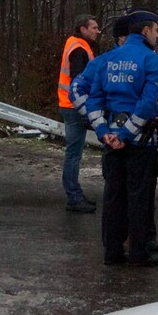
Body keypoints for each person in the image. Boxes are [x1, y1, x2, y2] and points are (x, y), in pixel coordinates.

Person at [73, 9, 158, 266]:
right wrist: (127, 134)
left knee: (113, 196)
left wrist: (105, 132)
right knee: (139, 197)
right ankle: (139, 253)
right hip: (139, 140)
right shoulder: (150, 60)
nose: (157, 35)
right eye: (155, 30)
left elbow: (95, 98)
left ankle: (112, 252)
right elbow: (146, 103)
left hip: (111, 139)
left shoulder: (108, 60)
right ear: (145, 31)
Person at [57, 15, 104, 212]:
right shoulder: (79, 49)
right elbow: (79, 83)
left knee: (73, 152)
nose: (97, 31)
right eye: (94, 27)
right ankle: (74, 196)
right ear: (83, 29)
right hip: (74, 106)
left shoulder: (76, 45)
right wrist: (86, 110)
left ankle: (74, 194)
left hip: (69, 104)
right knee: (74, 153)